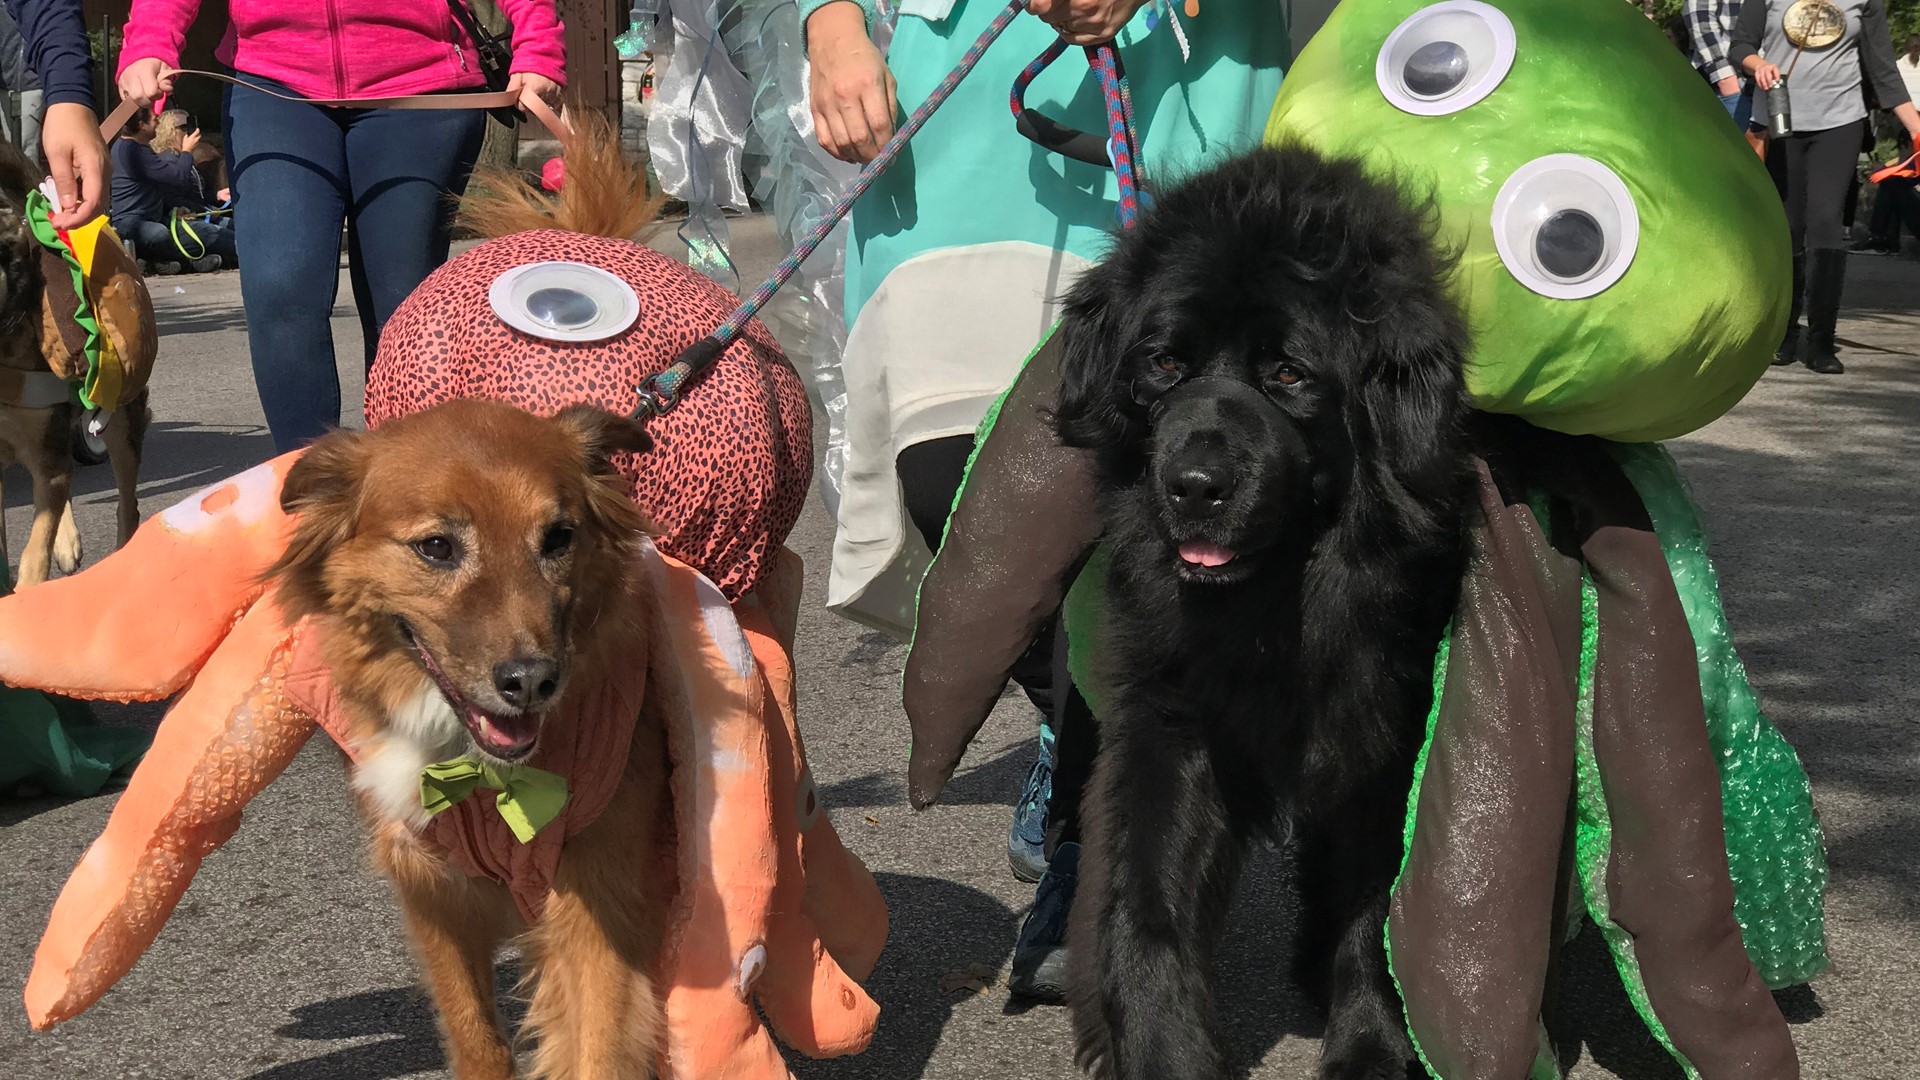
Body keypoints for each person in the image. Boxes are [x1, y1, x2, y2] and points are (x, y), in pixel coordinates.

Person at [803, 0, 1286, 1001]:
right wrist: (830, 24)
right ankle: (1079, 729)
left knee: (1142, 518)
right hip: (951, 113)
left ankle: (1096, 850)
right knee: (949, 479)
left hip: (1177, 88)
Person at [115, 0, 567, 453]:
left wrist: (538, 41)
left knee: (403, 305)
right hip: (272, 78)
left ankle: (406, 478)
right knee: (280, 290)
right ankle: (308, 483)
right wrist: (150, 40)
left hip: (420, 80)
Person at [1734, 0, 1920, 374]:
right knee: (1788, 226)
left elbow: (1883, 70)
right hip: (1779, 120)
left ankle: (1821, 340)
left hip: (1840, 122)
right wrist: (1758, 65)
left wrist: (1916, 129)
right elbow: (1740, 46)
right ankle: (1784, 333)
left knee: (1825, 220)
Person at [1, 0, 108, 228]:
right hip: (7, 85)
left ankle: (33, 224)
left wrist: (69, 93)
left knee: (24, 155)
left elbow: (45, 10)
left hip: (29, 84)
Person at [109, 106, 233, 274]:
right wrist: (187, 151)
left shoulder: (135, 148)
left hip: (156, 218)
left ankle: (159, 261)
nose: (157, 124)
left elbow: (162, 190)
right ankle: (187, 262)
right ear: (141, 125)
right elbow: (178, 177)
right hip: (133, 222)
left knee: (201, 231)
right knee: (160, 234)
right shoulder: (133, 150)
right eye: (154, 120)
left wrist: (176, 209)